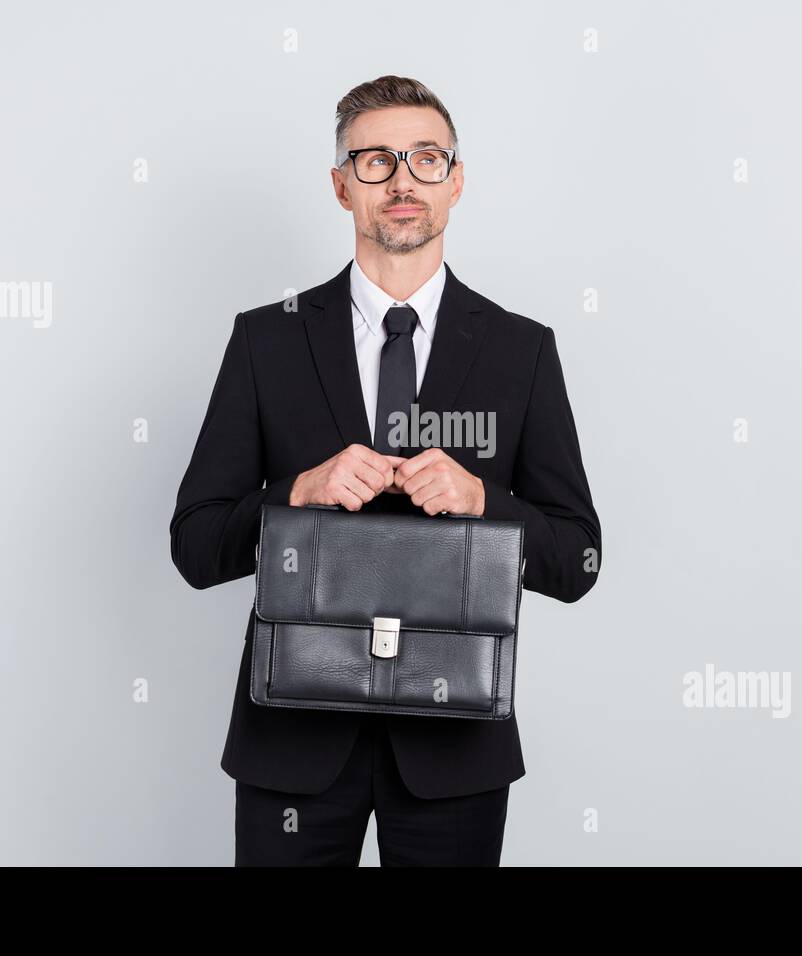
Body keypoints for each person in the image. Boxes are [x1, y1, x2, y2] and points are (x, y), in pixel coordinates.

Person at [170, 75, 601, 865]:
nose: (403, 180)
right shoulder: (267, 341)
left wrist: (484, 500)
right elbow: (196, 548)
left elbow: (578, 559)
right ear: (341, 186)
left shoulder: (521, 350)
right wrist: (296, 492)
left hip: (454, 749)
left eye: (426, 158)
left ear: (457, 180)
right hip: (293, 740)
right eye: (375, 161)